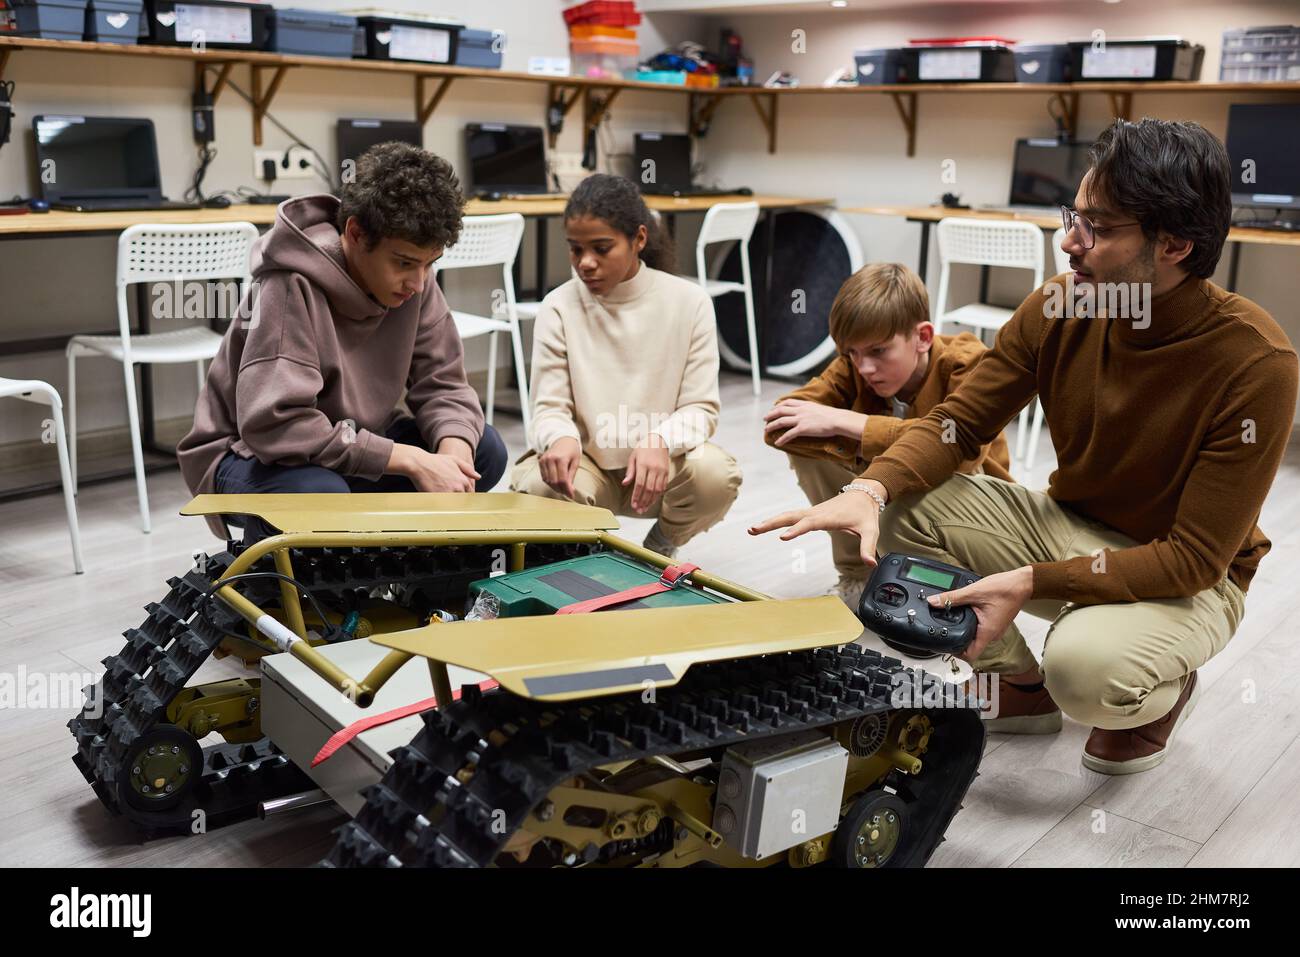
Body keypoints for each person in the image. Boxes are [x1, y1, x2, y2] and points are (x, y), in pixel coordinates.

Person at [750, 118, 1298, 775]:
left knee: (1086, 669)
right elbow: (958, 423)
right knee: (903, 511)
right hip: (1072, 522)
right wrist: (870, 487)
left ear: (1175, 243)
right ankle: (1022, 687)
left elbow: (1194, 558)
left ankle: (1162, 685)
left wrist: (1032, 582)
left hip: (1188, 576)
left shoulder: (1256, 361)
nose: (1069, 242)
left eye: (1097, 228)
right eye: (1074, 217)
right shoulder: (1062, 305)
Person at [178, 143, 507, 542]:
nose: (418, 283)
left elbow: (445, 385)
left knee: (482, 450)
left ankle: (403, 572)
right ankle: (273, 586)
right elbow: (277, 426)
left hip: (347, 443)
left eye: (429, 263)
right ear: (354, 233)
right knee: (319, 494)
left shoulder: (415, 283)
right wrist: (406, 458)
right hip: (248, 452)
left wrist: (453, 457)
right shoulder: (287, 286)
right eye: (404, 263)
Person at [510, 173, 742, 558]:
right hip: (587, 469)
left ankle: (657, 550)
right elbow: (549, 408)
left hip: (657, 468)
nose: (586, 263)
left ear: (639, 239)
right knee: (539, 485)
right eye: (575, 249)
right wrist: (560, 437)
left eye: (602, 248)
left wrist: (660, 440)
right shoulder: (558, 306)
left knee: (715, 475)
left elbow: (701, 408)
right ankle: (584, 555)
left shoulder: (689, 302)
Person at [763, 262, 1011, 607]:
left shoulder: (966, 363)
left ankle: (947, 587)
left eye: (879, 351)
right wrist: (870, 468)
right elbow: (780, 424)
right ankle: (857, 573)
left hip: (975, 504)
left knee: (937, 466)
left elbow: (962, 453)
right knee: (802, 443)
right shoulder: (858, 364)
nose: (864, 368)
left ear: (923, 338)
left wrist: (850, 425)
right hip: (895, 494)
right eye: (852, 353)